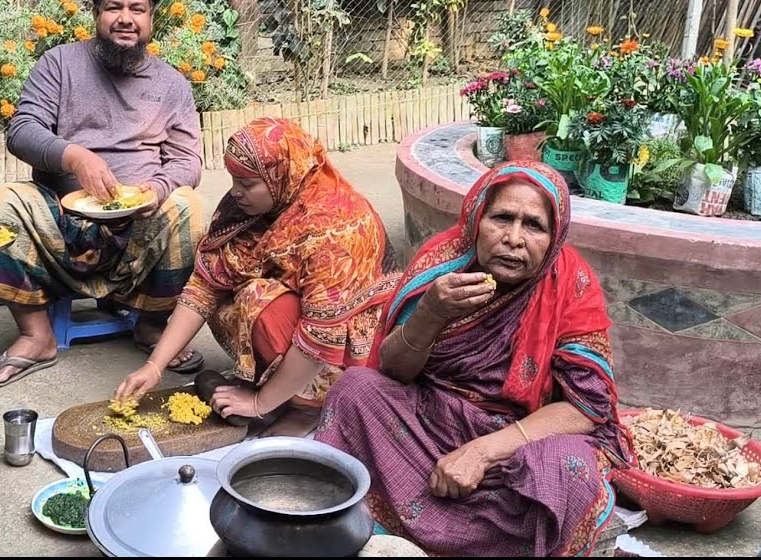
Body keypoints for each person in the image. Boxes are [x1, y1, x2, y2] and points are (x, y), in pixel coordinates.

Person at [313, 162, 634, 557]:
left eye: (534, 225)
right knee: (354, 389)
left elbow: (586, 407)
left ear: (554, 237)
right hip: (429, 424)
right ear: (477, 218)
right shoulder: (441, 267)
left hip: (518, 441)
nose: (513, 239)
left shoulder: (571, 285)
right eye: (502, 218)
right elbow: (392, 371)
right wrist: (431, 313)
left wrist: (481, 452)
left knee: (565, 469)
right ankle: (367, 529)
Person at [0, 0, 207, 388]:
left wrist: (158, 188)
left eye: (137, 9)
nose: (125, 18)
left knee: (189, 205)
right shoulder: (59, 63)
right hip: (61, 222)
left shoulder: (172, 84)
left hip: (139, 226)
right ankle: (36, 335)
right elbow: (21, 131)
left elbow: (187, 160)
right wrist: (74, 156)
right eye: (114, 7)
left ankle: (153, 324)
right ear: (96, 13)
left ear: (152, 18)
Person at [116, 117, 400, 437]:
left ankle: (308, 406)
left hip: (354, 343)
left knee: (257, 299)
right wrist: (154, 366)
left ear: (281, 175)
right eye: (234, 180)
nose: (236, 193)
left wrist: (258, 404)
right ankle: (280, 386)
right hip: (307, 322)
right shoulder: (252, 207)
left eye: (247, 184)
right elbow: (205, 286)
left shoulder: (333, 226)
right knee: (227, 285)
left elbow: (323, 336)